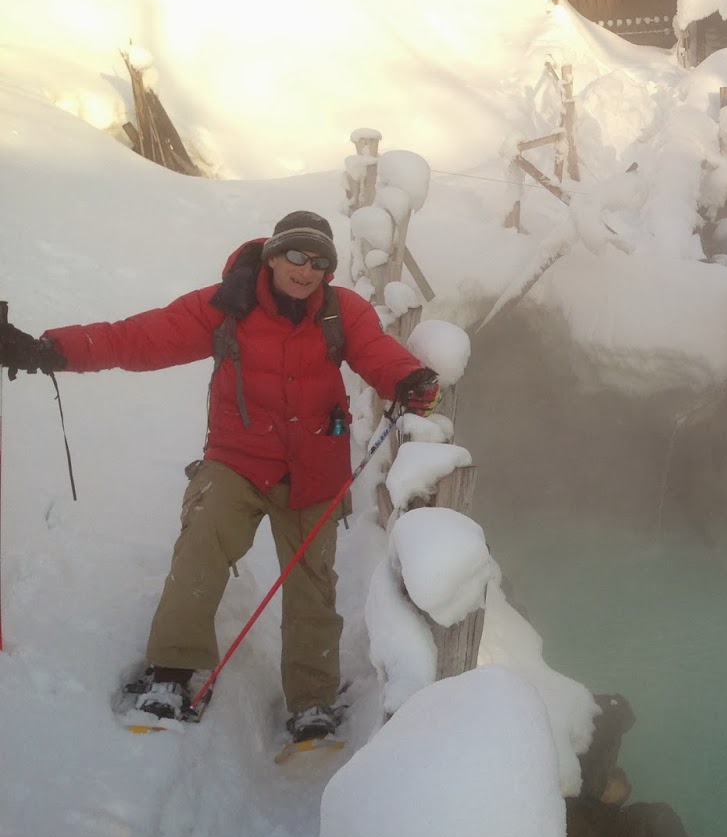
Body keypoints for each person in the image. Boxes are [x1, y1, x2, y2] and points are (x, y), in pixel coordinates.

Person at [0, 211, 442, 741]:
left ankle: (312, 701)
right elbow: (142, 338)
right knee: (201, 545)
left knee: (312, 583)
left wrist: (408, 379)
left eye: (320, 262)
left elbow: (376, 353)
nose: (306, 270)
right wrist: (50, 350)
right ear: (272, 256)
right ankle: (170, 671)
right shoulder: (228, 304)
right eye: (296, 256)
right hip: (238, 458)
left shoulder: (340, 310)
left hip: (315, 465)